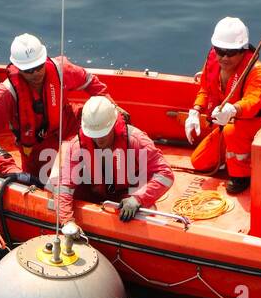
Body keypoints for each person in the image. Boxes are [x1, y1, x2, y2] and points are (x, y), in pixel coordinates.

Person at [0, 33, 108, 190]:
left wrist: (110, 105)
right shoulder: (6, 93)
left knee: (105, 131)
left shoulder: (61, 70)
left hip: (69, 127)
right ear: (18, 68)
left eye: (38, 67)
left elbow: (90, 82)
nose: (35, 73)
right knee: (42, 185)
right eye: (28, 70)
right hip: (37, 150)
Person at [184, 16, 261, 194]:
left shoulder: (257, 72)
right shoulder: (213, 61)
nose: (224, 57)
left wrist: (234, 109)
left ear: (242, 50)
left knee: (231, 132)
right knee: (200, 162)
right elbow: (205, 88)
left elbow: (253, 101)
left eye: (231, 52)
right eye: (220, 51)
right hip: (228, 120)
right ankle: (232, 154)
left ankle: (241, 176)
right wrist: (195, 111)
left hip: (256, 124)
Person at [57, 96, 175, 227]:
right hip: (93, 191)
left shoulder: (136, 139)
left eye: (103, 133)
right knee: (58, 195)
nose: (99, 140)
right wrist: (67, 221)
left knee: (147, 216)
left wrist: (138, 199)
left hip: (127, 193)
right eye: (94, 135)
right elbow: (65, 186)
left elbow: (165, 174)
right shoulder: (77, 145)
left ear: (113, 124)